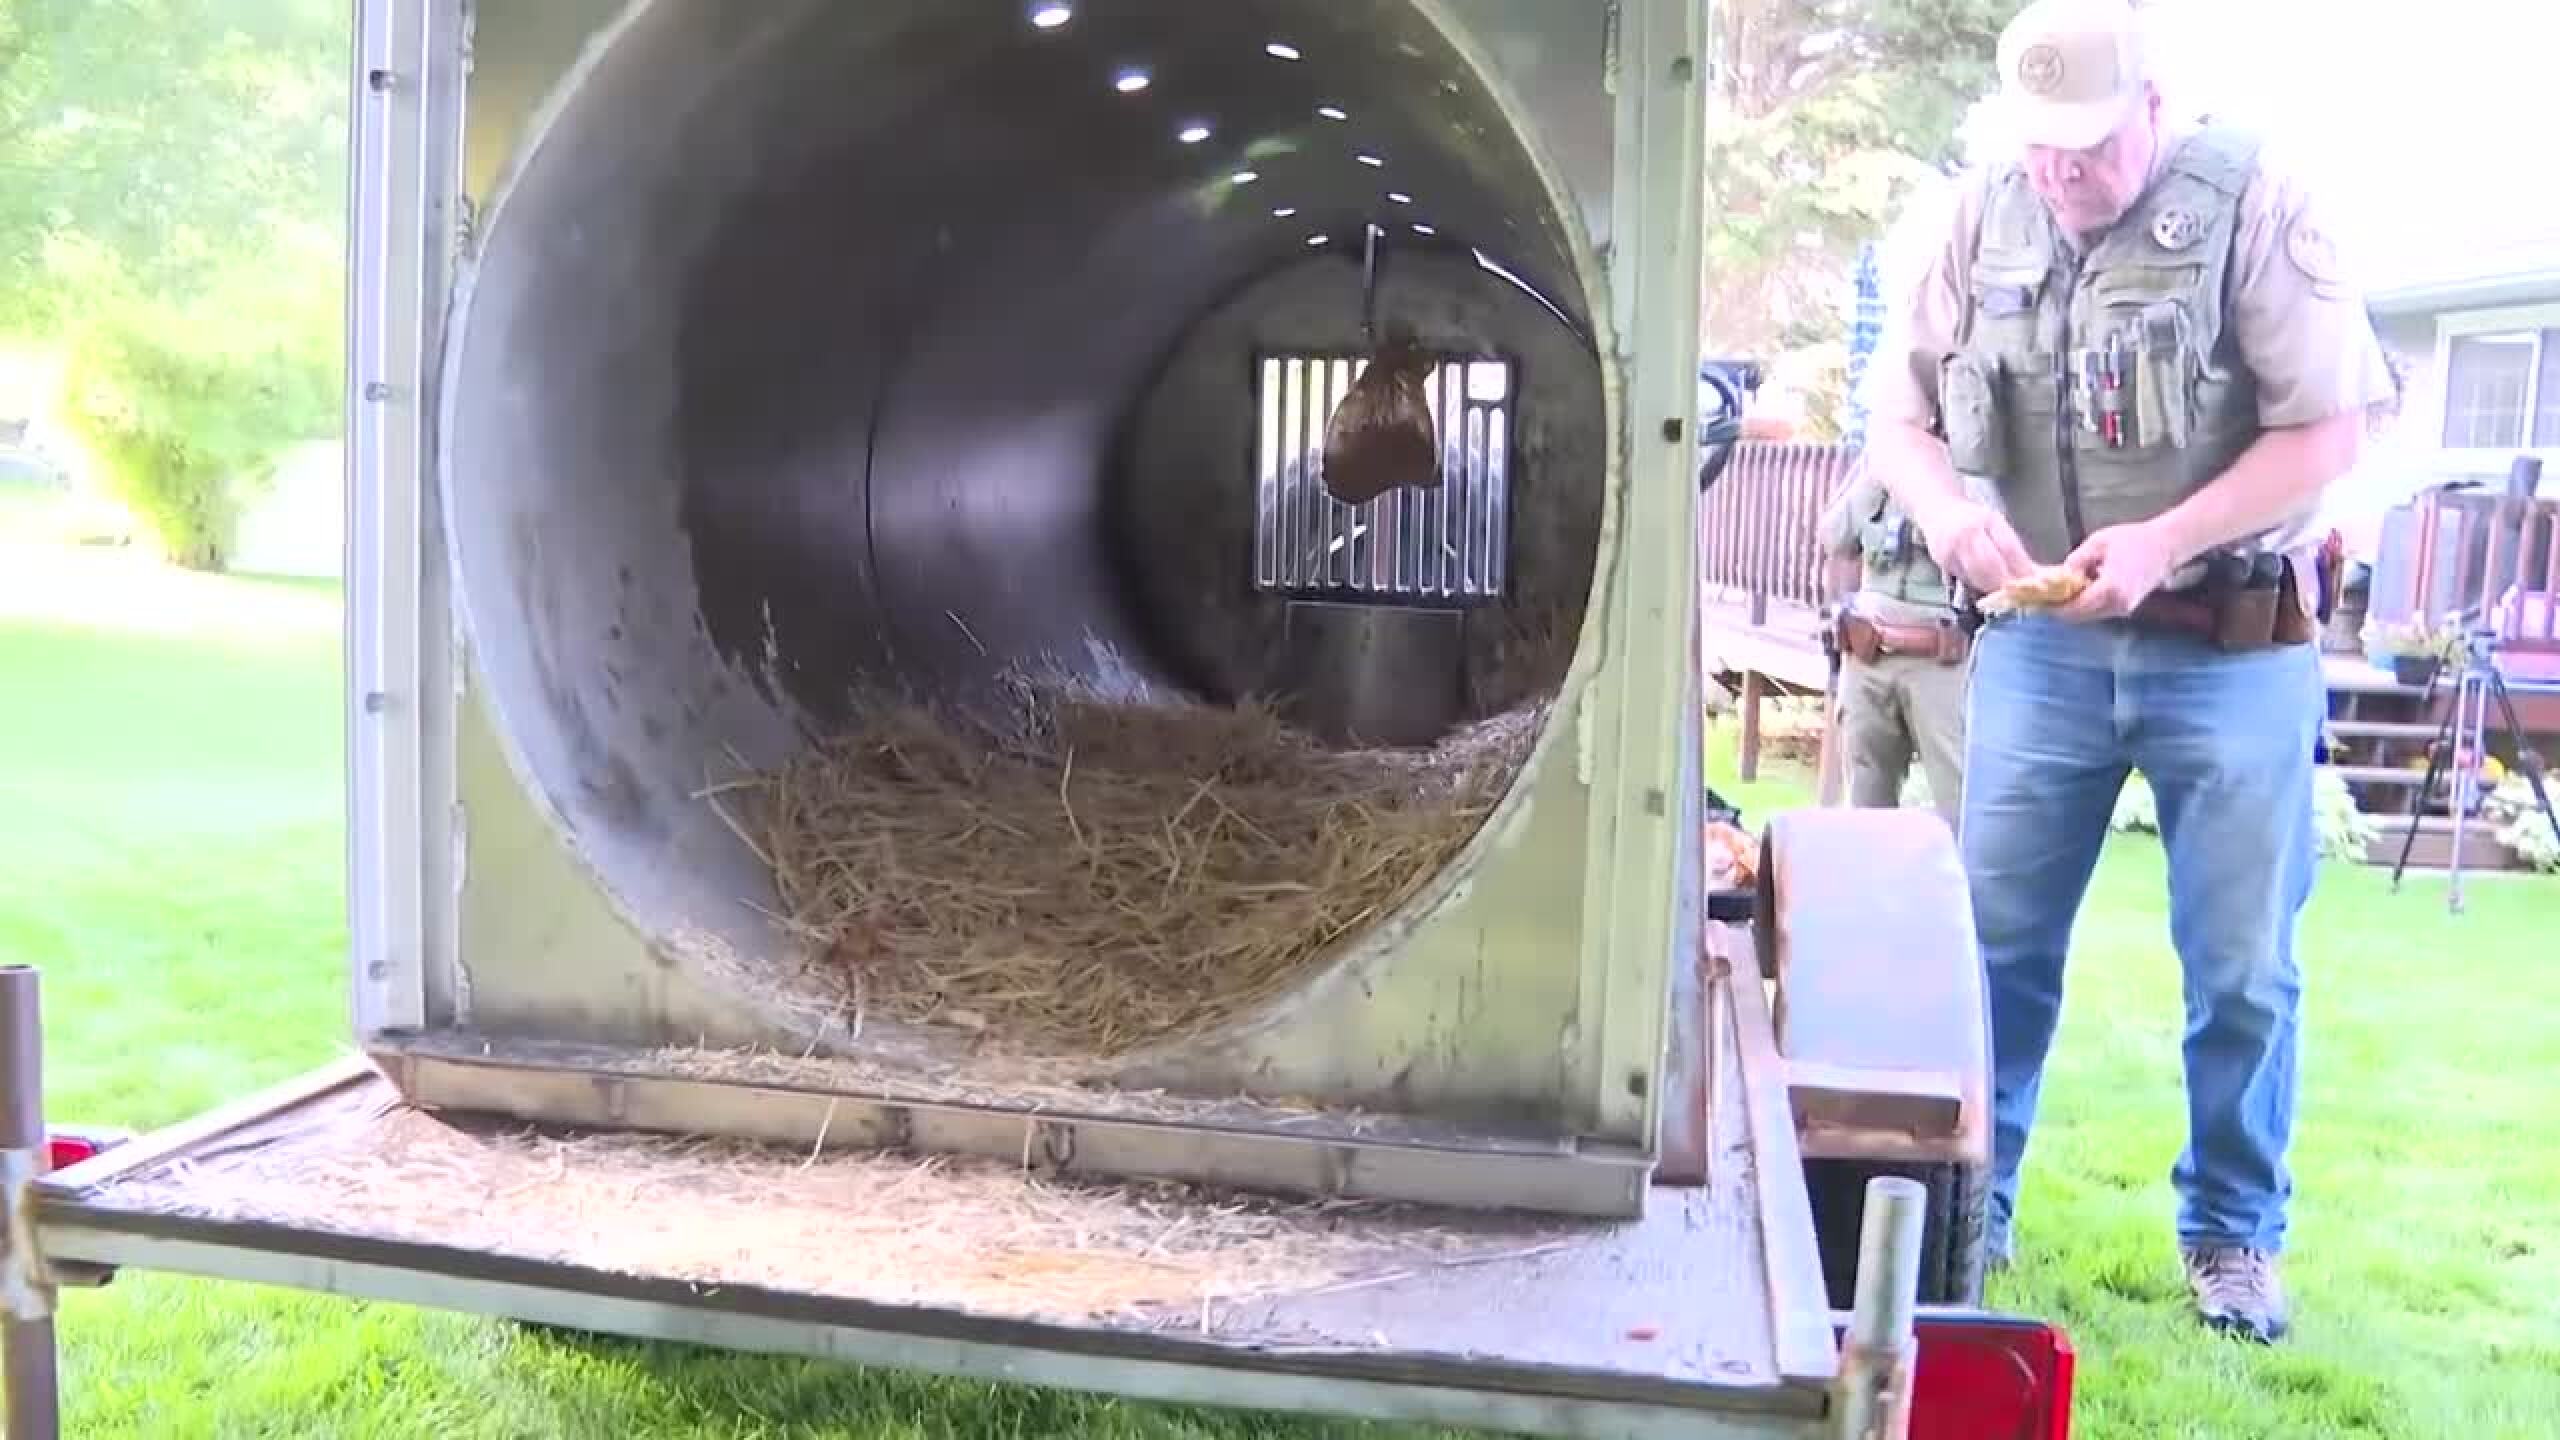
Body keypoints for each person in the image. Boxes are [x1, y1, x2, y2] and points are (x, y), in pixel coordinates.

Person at [1861, 0, 2396, 1344]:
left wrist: (2168, 538)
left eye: (2088, 149)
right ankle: (1974, 1207)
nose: (2064, 175)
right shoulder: (1981, 215)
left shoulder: (2259, 201)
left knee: (2241, 969)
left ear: (2155, 105)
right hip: (2043, 648)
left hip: (2233, 641)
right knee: (1994, 954)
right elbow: (1901, 414)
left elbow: (2332, 429)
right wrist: (1945, 517)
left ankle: (2232, 1236)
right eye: (2041, 149)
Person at [1813, 455, 1969, 832]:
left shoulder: (1971, 459)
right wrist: (1884, 468)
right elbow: (1836, 536)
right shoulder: (1877, 457)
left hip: (1942, 654)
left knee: (1962, 809)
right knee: (1866, 813)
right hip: (1868, 654)